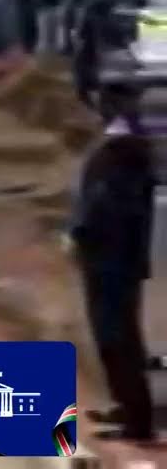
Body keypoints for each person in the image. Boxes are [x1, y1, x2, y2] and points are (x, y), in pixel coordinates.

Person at [70, 83, 155, 442]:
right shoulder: (127, 148)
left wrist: (80, 233)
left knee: (115, 337)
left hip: (110, 259)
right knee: (119, 336)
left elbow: (105, 208)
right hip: (118, 258)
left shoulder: (120, 151)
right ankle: (127, 406)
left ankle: (137, 420)